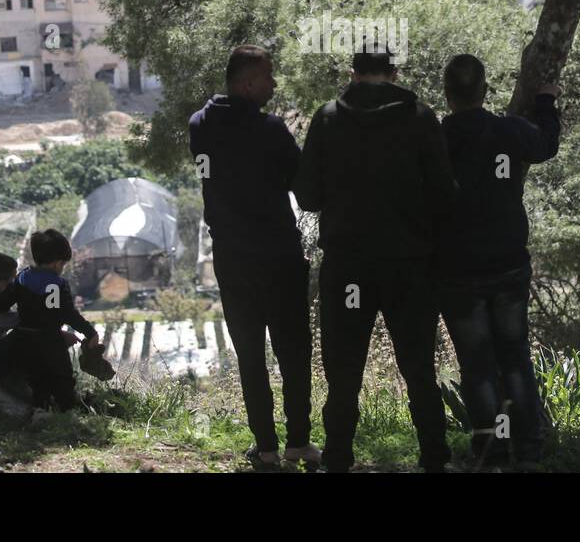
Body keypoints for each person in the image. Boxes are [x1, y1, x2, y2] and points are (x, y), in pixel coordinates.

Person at [294, 46, 456, 473]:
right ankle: (436, 458)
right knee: (419, 367)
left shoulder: (327, 117)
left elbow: (306, 196)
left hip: (349, 269)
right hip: (409, 266)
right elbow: (444, 193)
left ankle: (339, 457)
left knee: (344, 369)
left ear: (353, 74)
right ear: (394, 74)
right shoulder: (420, 117)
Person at [188, 45, 320, 469]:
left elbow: (210, 171)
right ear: (247, 84)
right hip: (278, 255)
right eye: (268, 77)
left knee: (250, 354)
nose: (274, 83)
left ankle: (266, 448)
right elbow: (304, 190)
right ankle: (299, 441)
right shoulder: (272, 130)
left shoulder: (199, 125)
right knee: (294, 351)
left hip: (232, 257)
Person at [436, 54, 560, 469]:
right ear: (485, 91)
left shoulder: (434, 139)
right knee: (515, 358)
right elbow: (546, 144)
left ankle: (492, 452)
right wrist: (545, 101)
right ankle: (529, 449)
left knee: (477, 365)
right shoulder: (506, 131)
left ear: (447, 94)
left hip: (457, 271)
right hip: (507, 264)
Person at [0, 229, 100, 411]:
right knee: (63, 379)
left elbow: (1, 304)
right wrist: (90, 331)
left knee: (37, 380)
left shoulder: (22, 278)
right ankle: (66, 409)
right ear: (58, 263)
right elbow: (67, 314)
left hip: (22, 340)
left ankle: (41, 409)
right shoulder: (57, 285)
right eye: (63, 263)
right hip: (50, 342)